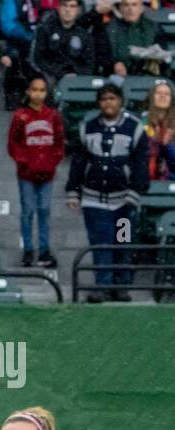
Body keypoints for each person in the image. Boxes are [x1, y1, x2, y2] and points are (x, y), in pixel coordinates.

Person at [66, 83, 149, 302]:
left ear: (121, 101)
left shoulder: (135, 128)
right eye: (104, 99)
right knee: (101, 243)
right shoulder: (88, 127)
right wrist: (73, 192)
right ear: (98, 103)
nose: (108, 103)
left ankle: (121, 286)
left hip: (124, 201)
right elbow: (78, 163)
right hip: (94, 200)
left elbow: (141, 164)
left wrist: (136, 191)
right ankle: (102, 285)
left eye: (112, 98)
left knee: (122, 242)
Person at [7, 75, 65, 267]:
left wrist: (52, 161)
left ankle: (44, 249)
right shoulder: (20, 116)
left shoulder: (53, 116)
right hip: (26, 174)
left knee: (45, 210)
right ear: (28, 92)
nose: (38, 94)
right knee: (28, 211)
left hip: (47, 173)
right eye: (34, 89)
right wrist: (25, 161)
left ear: (46, 93)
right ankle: (28, 249)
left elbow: (59, 142)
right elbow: (13, 144)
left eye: (42, 90)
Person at [30, 0, 95, 87]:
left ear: (78, 9)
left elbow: (89, 64)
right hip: (51, 77)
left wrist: (76, 74)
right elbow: (39, 59)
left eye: (72, 6)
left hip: (78, 79)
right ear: (58, 7)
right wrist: (60, 73)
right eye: (64, 5)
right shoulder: (46, 30)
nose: (68, 10)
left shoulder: (84, 35)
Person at [106, 0, 166, 78]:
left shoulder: (153, 27)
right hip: (117, 77)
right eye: (126, 5)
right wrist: (114, 64)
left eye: (134, 5)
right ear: (120, 8)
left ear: (142, 8)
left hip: (148, 75)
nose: (130, 9)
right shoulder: (109, 28)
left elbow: (164, 54)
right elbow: (103, 56)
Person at [143, 80, 175, 182]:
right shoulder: (141, 122)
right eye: (158, 93)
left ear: (172, 99)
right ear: (152, 97)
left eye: (167, 94)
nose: (163, 96)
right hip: (146, 177)